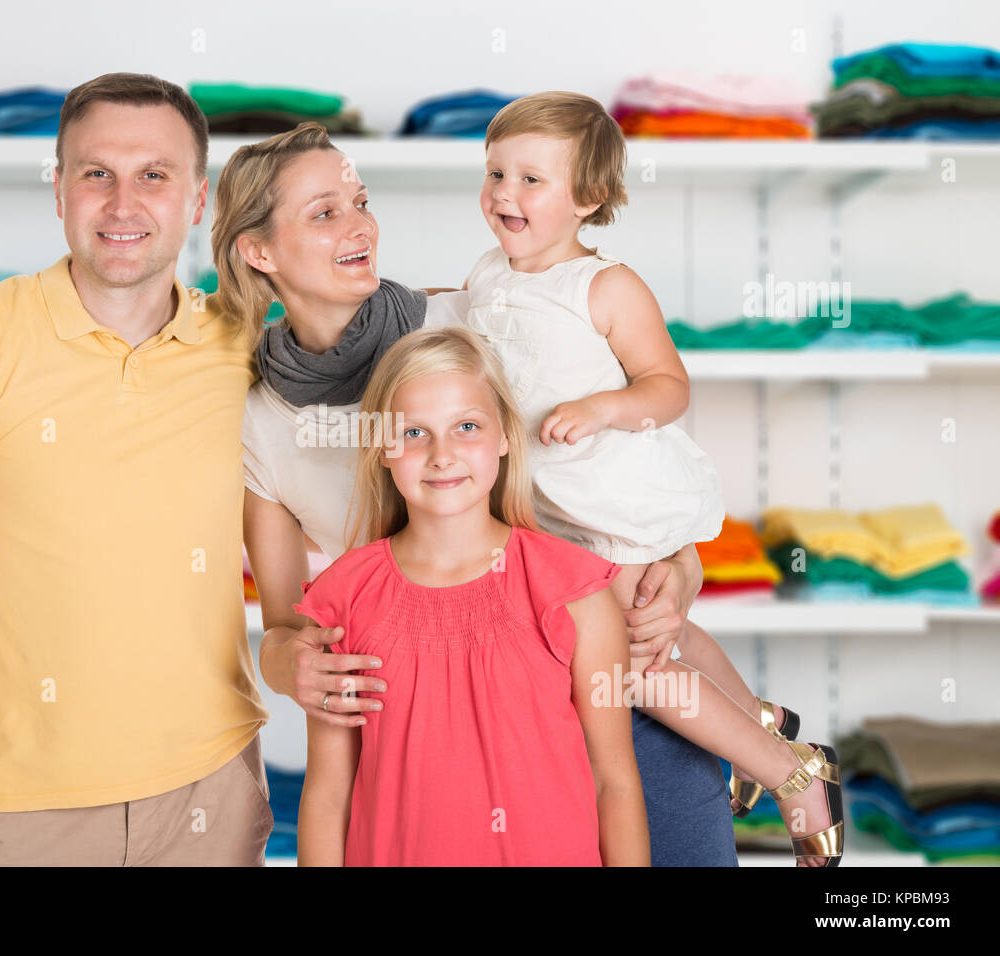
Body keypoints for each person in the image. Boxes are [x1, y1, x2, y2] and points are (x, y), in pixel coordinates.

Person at [214, 122, 739, 865]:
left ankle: (782, 759)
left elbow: (610, 460)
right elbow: (282, 627)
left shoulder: (466, 320)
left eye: (359, 200)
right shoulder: (261, 423)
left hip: (605, 691)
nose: (360, 224)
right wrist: (291, 667)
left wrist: (680, 559)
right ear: (259, 251)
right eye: (324, 212)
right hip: (437, 741)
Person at [0, 73, 271, 867]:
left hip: (213, 791)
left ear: (198, 200)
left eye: (153, 176)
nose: (123, 204)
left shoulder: (247, 345)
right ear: (58, 189)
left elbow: (396, 333)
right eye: (97, 173)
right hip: (31, 805)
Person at [452, 90, 842, 866]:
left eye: (532, 179)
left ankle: (790, 773)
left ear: (588, 198)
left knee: (632, 665)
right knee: (664, 634)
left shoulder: (606, 287)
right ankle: (756, 720)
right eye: (496, 172)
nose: (504, 192)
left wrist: (603, 407)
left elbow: (669, 384)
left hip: (613, 500)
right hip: (550, 511)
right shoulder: (488, 272)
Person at [295, 327, 648, 865]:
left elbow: (614, 782)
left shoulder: (572, 593)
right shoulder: (343, 598)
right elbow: (326, 796)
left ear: (505, 436)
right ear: (382, 449)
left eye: (466, 427)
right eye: (414, 432)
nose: (442, 455)